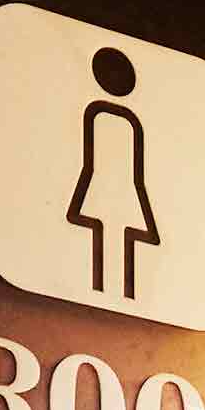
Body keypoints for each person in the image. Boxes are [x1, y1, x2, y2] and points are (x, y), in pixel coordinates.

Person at [68, 47, 162, 303]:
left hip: (121, 190)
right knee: (108, 238)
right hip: (107, 188)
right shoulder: (104, 118)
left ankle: (115, 288)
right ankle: (107, 286)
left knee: (119, 241)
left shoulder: (122, 122)